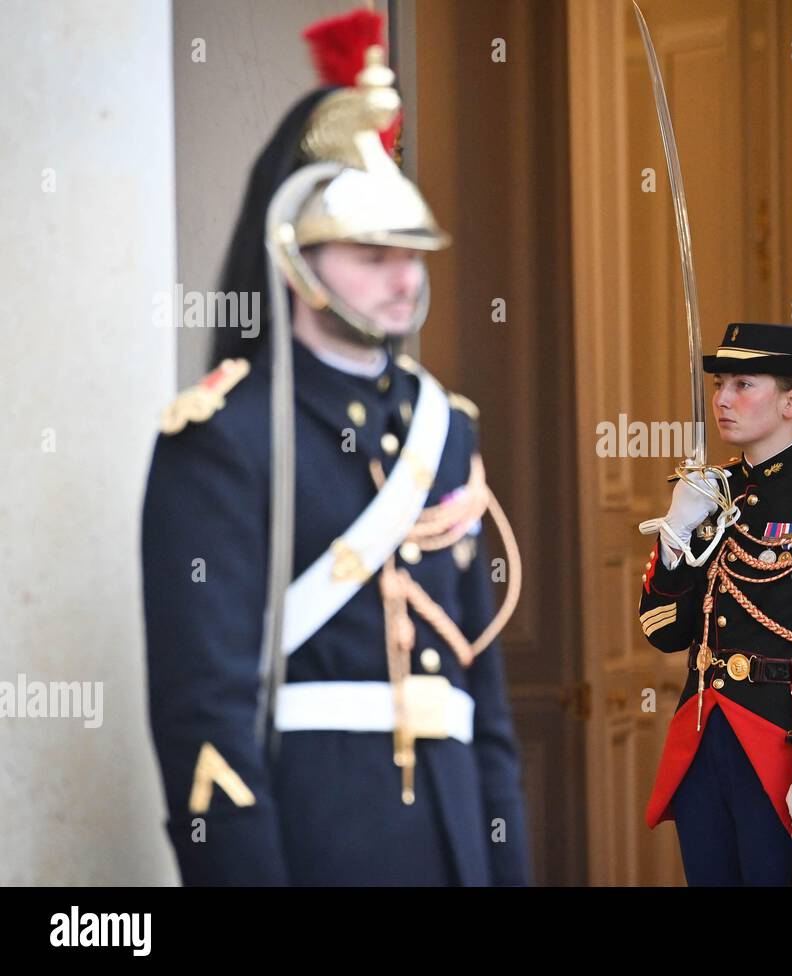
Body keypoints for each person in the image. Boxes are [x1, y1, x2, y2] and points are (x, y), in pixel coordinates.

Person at [141, 8, 529, 885]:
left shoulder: (444, 426)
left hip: (456, 836)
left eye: (412, 252)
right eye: (370, 251)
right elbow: (204, 709)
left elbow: (485, 703)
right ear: (296, 260)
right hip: (317, 840)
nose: (405, 278)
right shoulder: (224, 436)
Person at [639, 322, 792, 886]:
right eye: (720, 385)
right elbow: (662, 630)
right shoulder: (708, 495)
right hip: (705, 739)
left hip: (782, 745)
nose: (722, 400)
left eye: (742, 384)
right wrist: (675, 537)